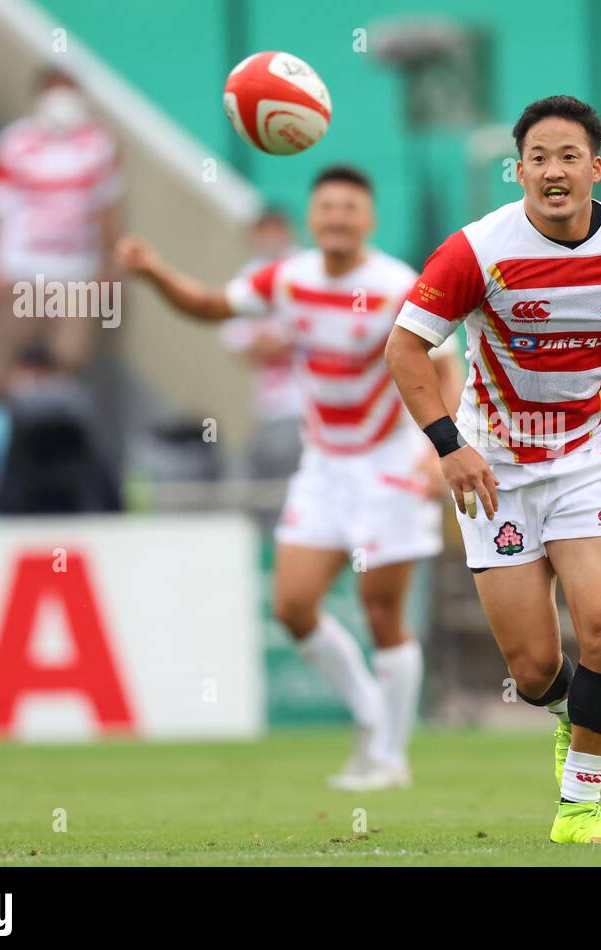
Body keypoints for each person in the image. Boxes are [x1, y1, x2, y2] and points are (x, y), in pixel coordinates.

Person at [385, 95, 601, 843]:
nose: (553, 170)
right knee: (534, 668)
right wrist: (449, 445)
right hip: (495, 467)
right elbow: (403, 348)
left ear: (595, 169)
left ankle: (580, 809)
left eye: (569, 157)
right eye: (538, 158)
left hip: (589, 458)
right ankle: (568, 711)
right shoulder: (475, 252)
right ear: (518, 171)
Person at [116, 165, 463, 789]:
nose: (336, 217)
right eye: (326, 206)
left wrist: (441, 451)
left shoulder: (394, 285)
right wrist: (154, 272)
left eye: (349, 208)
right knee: (293, 605)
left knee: (381, 611)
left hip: (389, 462)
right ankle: (370, 716)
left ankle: (388, 756)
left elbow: (445, 362)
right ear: (312, 217)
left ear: (370, 220)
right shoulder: (288, 278)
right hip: (324, 465)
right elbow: (209, 305)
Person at [0, 67, 122, 394]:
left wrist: (109, 268)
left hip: (74, 274)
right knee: (8, 359)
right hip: (23, 270)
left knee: (70, 357)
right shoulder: (13, 143)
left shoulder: (98, 145)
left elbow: (107, 211)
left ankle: (57, 427)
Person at [0, 342, 121, 516]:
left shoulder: (78, 417)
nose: (32, 387)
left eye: (39, 377)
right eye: (25, 374)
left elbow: (102, 480)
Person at [219, 207, 305, 482]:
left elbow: (312, 334)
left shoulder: (305, 273)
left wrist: (278, 343)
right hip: (267, 407)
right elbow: (236, 344)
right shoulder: (247, 281)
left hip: (305, 405)